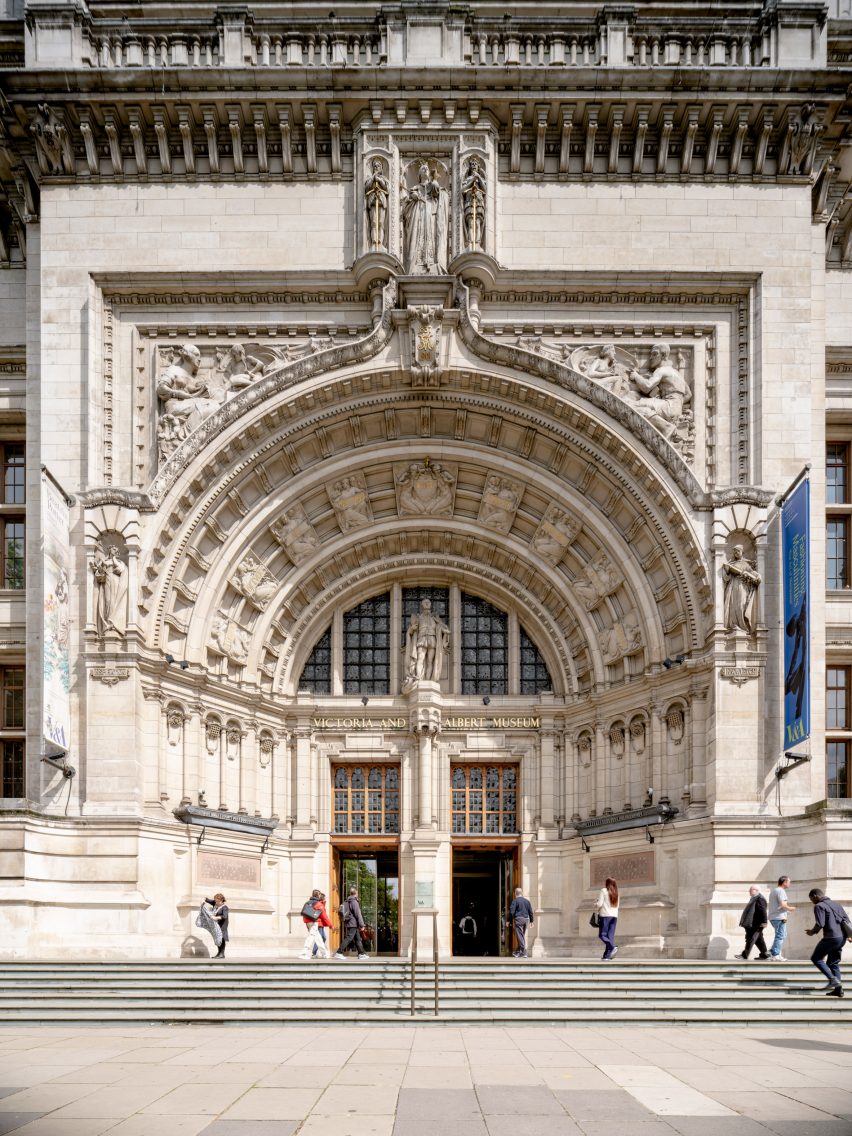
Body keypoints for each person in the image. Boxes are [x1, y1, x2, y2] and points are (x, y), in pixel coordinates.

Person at [805, 888, 849, 998]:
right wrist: (849, 935)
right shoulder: (836, 904)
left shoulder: (819, 906)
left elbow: (820, 923)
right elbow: (847, 920)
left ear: (815, 896)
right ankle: (839, 990)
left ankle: (832, 979)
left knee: (816, 958)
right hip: (841, 938)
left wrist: (812, 932)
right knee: (833, 963)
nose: (812, 902)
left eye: (811, 899)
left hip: (831, 938)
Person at [735, 886, 769, 960]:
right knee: (759, 940)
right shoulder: (754, 898)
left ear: (757, 890)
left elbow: (763, 911)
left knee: (751, 939)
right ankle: (764, 954)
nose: (749, 891)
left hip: (756, 924)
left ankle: (744, 955)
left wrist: (764, 921)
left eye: (751, 889)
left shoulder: (760, 899)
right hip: (752, 924)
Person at [335, 885, 368, 960]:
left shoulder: (348, 901)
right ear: (356, 893)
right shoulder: (354, 902)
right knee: (349, 938)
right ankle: (339, 952)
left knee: (357, 939)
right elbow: (358, 914)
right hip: (353, 923)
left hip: (351, 922)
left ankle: (361, 954)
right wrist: (362, 925)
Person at [768, 875, 796, 960]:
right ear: (784, 882)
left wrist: (786, 911)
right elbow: (783, 905)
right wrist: (790, 908)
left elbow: (778, 906)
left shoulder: (774, 891)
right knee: (780, 936)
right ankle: (775, 954)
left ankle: (773, 952)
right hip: (779, 917)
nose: (789, 884)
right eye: (789, 882)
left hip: (775, 917)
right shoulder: (781, 891)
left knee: (782, 935)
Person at [300, 889, 329, 959]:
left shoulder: (307, 902)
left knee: (318, 938)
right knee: (311, 937)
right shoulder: (318, 904)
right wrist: (330, 925)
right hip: (314, 922)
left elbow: (303, 912)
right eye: (319, 894)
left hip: (307, 921)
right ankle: (303, 953)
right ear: (318, 895)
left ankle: (324, 953)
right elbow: (324, 916)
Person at [595, 877, 619, 960]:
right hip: (614, 916)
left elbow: (599, 904)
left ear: (607, 883)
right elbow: (617, 906)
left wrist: (595, 903)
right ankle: (607, 956)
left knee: (602, 935)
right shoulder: (616, 893)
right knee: (610, 936)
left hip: (605, 915)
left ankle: (612, 947)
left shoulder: (604, 890)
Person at [509, 887, 534, 959]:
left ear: (515, 893)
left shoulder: (515, 901)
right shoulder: (527, 901)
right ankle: (518, 952)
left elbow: (511, 912)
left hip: (519, 919)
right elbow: (530, 912)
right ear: (521, 893)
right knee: (521, 936)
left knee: (520, 936)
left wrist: (509, 920)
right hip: (526, 920)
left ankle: (524, 952)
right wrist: (531, 921)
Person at [206, 892, 229, 959]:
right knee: (217, 939)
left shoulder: (225, 907)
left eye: (217, 901)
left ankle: (222, 953)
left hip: (222, 925)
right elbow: (209, 900)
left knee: (221, 939)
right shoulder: (216, 904)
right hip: (216, 925)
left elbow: (224, 916)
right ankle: (219, 953)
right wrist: (205, 899)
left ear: (221, 901)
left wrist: (216, 917)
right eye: (215, 900)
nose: (215, 902)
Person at [312, 892, 333, 958]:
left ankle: (316, 952)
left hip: (320, 924)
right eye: (325, 898)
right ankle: (315, 953)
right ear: (323, 898)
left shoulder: (321, 904)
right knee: (320, 938)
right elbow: (324, 916)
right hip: (319, 924)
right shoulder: (320, 905)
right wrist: (330, 925)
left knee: (322, 937)